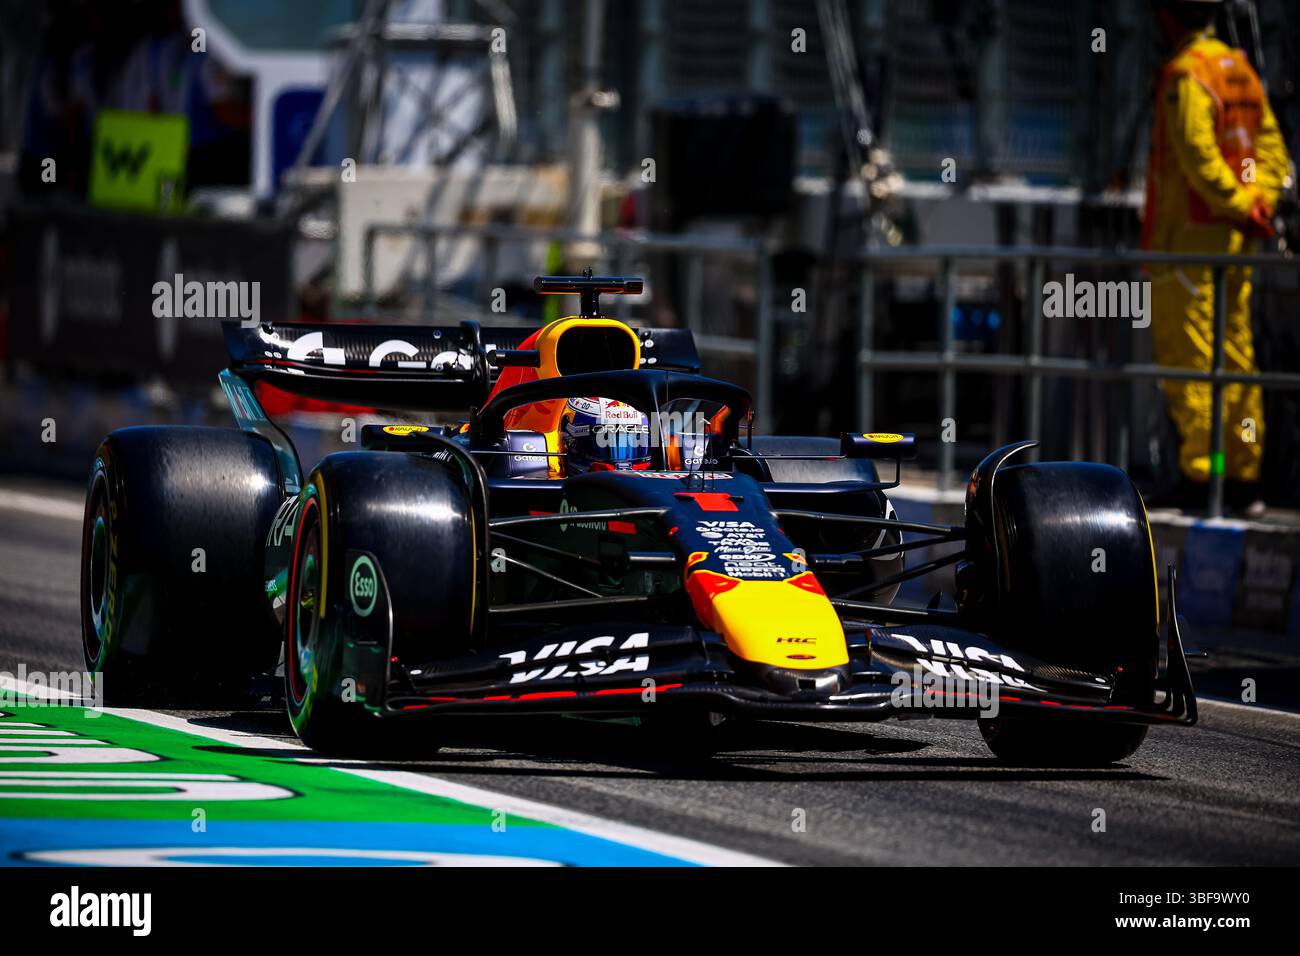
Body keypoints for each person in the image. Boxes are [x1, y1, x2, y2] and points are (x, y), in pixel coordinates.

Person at [1142, 0, 1291, 514]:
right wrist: (1257, 203)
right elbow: (1273, 149)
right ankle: (1241, 477)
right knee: (1235, 360)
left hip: (1187, 247)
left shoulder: (1187, 74)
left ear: (1169, 16)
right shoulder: (1240, 71)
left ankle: (1203, 479)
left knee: (1193, 366)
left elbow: (1196, 154)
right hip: (1235, 244)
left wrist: (1237, 204)